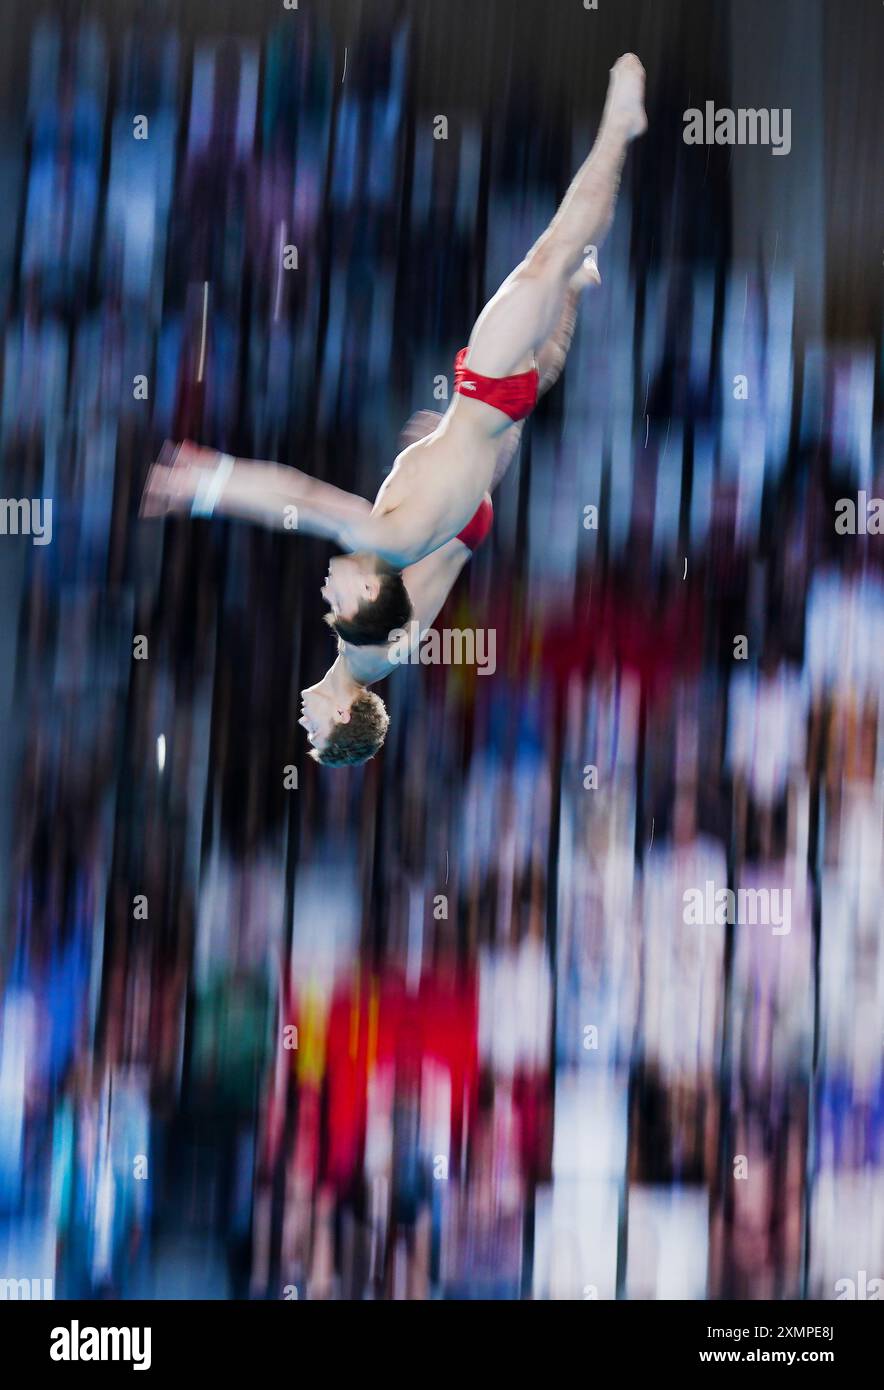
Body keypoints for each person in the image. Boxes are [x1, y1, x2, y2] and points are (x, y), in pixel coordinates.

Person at [142, 54, 647, 652]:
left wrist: (439, 457)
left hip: (489, 418)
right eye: (336, 605)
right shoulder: (386, 540)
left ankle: (575, 282)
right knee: (553, 249)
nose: (326, 593)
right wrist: (211, 484)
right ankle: (619, 129)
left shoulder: (405, 546)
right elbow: (299, 498)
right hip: (484, 397)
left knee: (552, 305)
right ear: (367, 594)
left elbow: (465, 517)